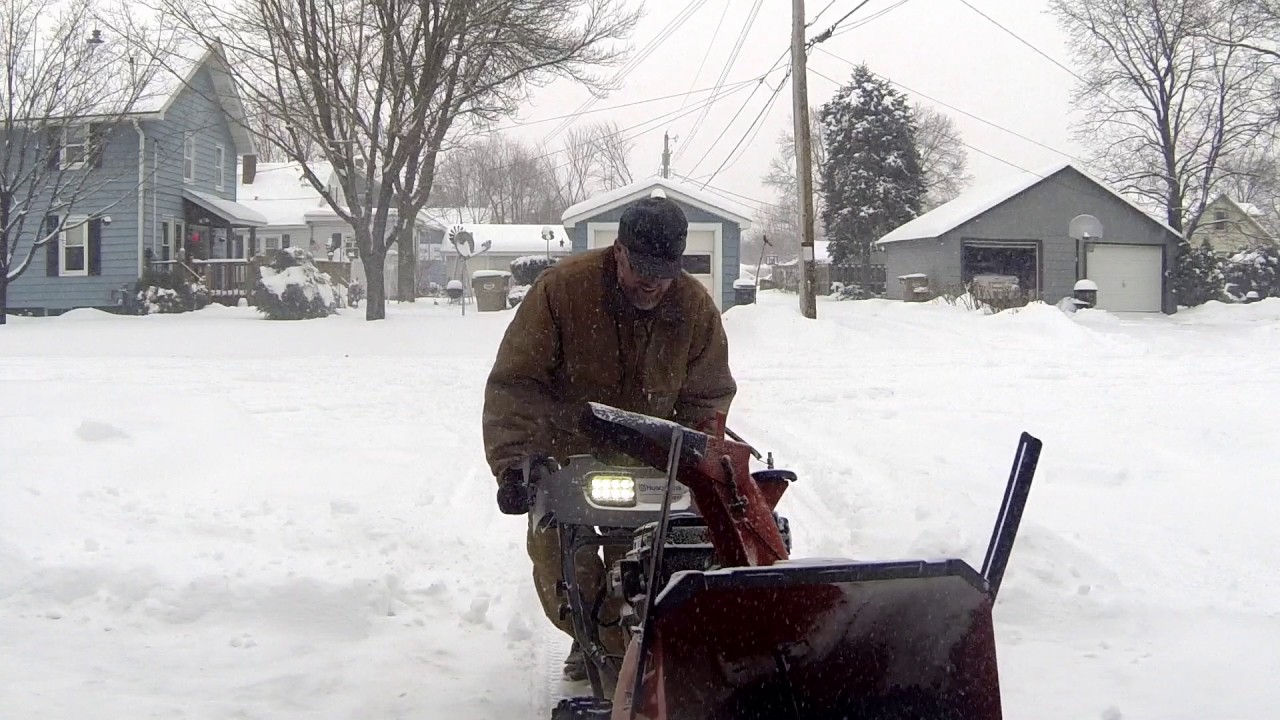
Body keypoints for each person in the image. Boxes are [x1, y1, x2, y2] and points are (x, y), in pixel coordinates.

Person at [481, 195, 737, 681]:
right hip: (565, 451)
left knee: (648, 563)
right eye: (641, 268)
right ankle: (590, 634)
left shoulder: (693, 308)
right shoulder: (563, 291)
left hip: (648, 454)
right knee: (563, 562)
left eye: (663, 273)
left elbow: (708, 394)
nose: (651, 283)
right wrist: (514, 463)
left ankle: (635, 647)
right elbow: (517, 382)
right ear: (618, 250)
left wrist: (701, 456)